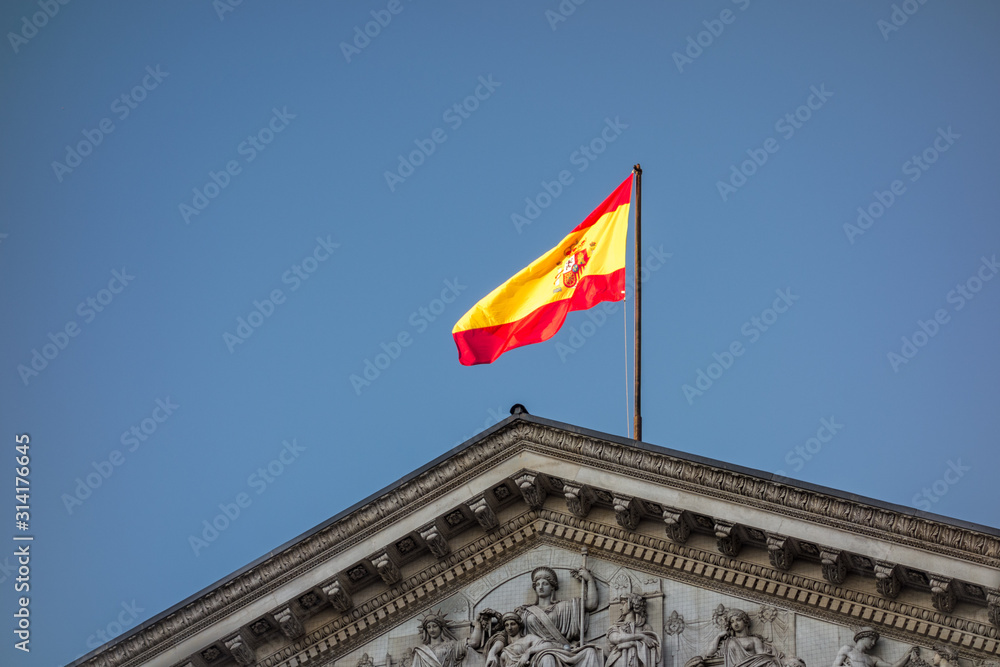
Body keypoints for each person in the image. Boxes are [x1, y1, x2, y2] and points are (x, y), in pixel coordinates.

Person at [517, 566, 603, 667]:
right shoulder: (526, 612)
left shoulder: (564, 606)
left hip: (563, 648)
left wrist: (589, 580)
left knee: (590, 651)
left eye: (545, 584)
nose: (540, 587)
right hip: (539, 651)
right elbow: (511, 634)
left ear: (552, 587)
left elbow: (591, 604)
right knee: (547, 658)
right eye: (537, 584)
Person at [689, 610, 786, 667]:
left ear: (745, 621)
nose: (735, 623)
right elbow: (709, 653)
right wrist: (718, 636)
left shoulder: (754, 640)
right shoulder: (728, 641)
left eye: (738, 620)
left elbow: (762, 658)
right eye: (732, 621)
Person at [606, 593, 661, 667]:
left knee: (632, 649)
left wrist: (632, 644)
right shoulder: (615, 627)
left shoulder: (645, 628)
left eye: (623, 604)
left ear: (630, 604)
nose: (620, 608)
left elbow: (652, 649)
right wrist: (641, 636)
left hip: (637, 662)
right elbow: (617, 639)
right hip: (618, 662)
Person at [831, 627, 916, 667]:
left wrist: (908, 654)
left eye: (874, 640)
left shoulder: (873, 659)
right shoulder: (848, 649)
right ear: (863, 637)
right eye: (871, 639)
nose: (873, 643)